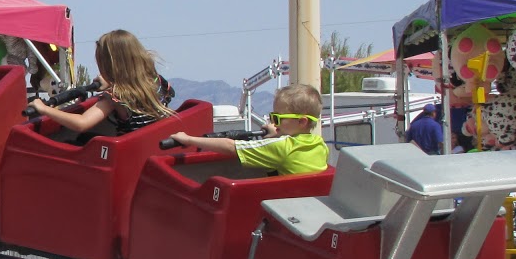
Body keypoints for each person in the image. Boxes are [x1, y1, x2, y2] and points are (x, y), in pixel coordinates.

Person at [28, 29, 174, 142]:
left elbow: (81, 123)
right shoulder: (158, 82)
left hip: (127, 155)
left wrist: (44, 109)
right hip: (153, 146)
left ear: (110, 65)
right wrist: (111, 83)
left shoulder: (115, 97)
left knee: (77, 141)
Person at [170, 83, 328, 176]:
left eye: (277, 118)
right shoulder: (319, 145)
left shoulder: (282, 147)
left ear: (302, 121)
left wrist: (188, 139)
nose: (274, 123)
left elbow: (230, 146)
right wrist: (276, 134)